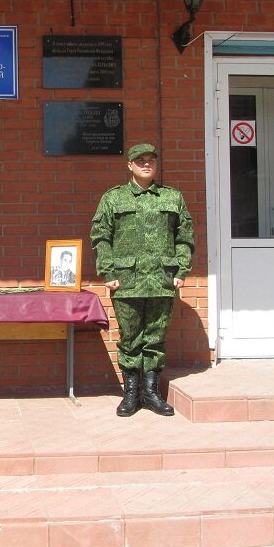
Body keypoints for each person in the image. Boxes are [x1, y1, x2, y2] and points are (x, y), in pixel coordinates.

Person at [90, 143, 194, 417]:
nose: (146, 164)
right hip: (127, 281)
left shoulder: (172, 197)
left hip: (162, 279)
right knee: (130, 338)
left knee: (155, 338)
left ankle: (151, 393)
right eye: (140, 160)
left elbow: (184, 237)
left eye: (151, 160)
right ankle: (131, 394)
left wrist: (181, 270)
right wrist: (108, 272)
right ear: (130, 165)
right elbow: (101, 237)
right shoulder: (113, 198)